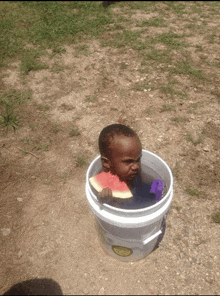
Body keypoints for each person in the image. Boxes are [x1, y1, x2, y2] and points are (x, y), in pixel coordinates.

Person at [94, 123, 158, 208]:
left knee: (158, 185)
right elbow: (116, 211)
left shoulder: (132, 169)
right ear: (107, 163)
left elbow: (143, 179)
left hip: (139, 195)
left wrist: (156, 183)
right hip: (125, 209)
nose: (136, 166)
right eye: (128, 161)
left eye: (138, 159)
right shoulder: (104, 187)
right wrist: (106, 201)